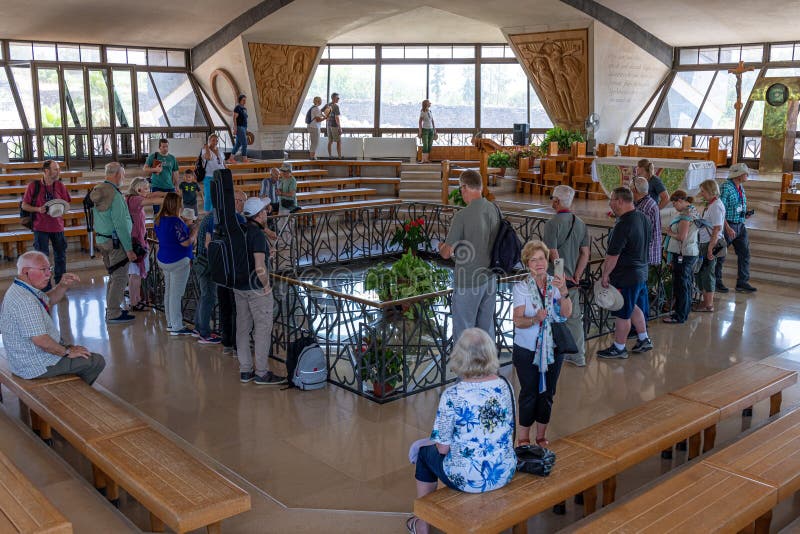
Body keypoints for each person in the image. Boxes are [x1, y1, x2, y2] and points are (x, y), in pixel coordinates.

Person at [407, 328, 515, 534]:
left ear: (460, 357)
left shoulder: (453, 395)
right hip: (504, 469)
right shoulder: (505, 386)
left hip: (469, 478)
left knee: (423, 454)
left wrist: (425, 443)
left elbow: (442, 449)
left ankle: (422, 523)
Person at [0, 251, 105, 385]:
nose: (49, 274)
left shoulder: (23, 288)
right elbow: (41, 341)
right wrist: (66, 352)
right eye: (43, 270)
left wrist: (62, 285)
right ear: (26, 271)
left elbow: (47, 300)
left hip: (27, 359)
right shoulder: (25, 301)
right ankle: (71, 393)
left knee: (80, 352)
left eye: (49, 269)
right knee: (95, 361)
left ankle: (70, 383)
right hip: (35, 366)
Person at [512, 240, 571, 449]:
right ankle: (523, 437)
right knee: (529, 392)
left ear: (548, 261)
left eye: (542, 258)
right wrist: (535, 319)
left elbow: (566, 314)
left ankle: (541, 435)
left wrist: (564, 291)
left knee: (547, 393)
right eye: (533, 259)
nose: (539, 263)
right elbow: (517, 320)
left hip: (552, 348)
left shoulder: (555, 284)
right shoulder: (521, 288)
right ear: (527, 263)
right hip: (527, 350)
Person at [438, 170, 500, 343]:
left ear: (464, 187)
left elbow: (446, 253)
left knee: (464, 332)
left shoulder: (462, 216)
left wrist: (441, 246)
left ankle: (465, 370)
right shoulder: (494, 209)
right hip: (490, 278)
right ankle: (487, 369)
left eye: (460, 188)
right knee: (486, 331)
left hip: (468, 281)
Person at [235, 197, 286, 385]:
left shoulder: (240, 230)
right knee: (262, 329)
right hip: (256, 287)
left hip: (239, 286)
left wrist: (267, 255)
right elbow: (258, 267)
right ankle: (262, 372)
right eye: (265, 210)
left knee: (243, 328)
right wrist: (266, 285)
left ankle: (245, 370)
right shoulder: (256, 234)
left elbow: (248, 257)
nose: (267, 212)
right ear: (259, 214)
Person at [597, 187, 653, 359]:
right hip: (641, 272)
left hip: (626, 275)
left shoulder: (623, 224)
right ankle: (644, 339)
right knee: (632, 306)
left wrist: (605, 275)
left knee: (622, 313)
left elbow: (613, 255)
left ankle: (619, 347)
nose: (610, 203)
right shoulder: (643, 218)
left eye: (612, 199)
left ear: (620, 201)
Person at [542, 185, 589, 367]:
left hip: (557, 279)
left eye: (552, 198)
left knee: (551, 315)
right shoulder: (580, 223)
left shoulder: (552, 224)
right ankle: (579, 356)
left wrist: (561, 277)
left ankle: (552, 354)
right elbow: (585, 253)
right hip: (572, 281)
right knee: (574, 317)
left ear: (557, 201)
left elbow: (553, 253)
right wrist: (576, 275)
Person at [91, 162, 137, 324]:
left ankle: (112, 308)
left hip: (102, 239)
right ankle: (113, 312)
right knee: (119, 277)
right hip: (115, 242)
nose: (123, 178)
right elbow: (121, 224)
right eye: (123, 175)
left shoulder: (98, 190)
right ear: (117, 175)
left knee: (113, 275)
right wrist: (129, 249)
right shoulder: (115, 195)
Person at [21, 160, 71, 290]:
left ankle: (61, 284)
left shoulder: (60, 185)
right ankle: (44, 286)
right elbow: (24, 205)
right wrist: (38, 209)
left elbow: (67, 204)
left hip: (57, 226)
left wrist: (60, 210)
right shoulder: (34, 186)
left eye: (58, 169)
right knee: (41, 258)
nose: (58, 172)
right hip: (40, 227)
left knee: (60, 256)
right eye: (55, 169)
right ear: (46, 171)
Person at [154, 192, 198, 336]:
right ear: (176, 205)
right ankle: (177, 327)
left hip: (164, 259)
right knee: (176, 295)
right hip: (178, 261)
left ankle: (170, 323)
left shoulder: (159, 219)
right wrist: (194, 234)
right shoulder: (176, 221)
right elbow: (185, 242)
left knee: (169, 292)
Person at [125, 177, 165, 312]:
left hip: (138, 238)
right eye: (146, 188)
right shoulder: (135, 200)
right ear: (138, 189)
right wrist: (169, 199)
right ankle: (134, 301)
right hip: (135, 240)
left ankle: (136, 299)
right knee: (135, 274)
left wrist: (165, 193)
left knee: (135, 274)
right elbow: (153, 200)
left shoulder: (131, 198)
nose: (148, 191)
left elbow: (153, 195)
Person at [715, 163, 757, 293]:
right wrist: (726, 227)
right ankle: (716, 282)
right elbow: (720, 210)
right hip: (729, 226)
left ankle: (742, 282)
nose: (747, 175)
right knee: (720, 255)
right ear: (738, 175)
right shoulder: (726, 188)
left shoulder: (740, 187)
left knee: (745, 254)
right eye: (746, 173)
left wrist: (745, 214)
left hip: (740, 225)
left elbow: (737, 205)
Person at [662, 190, 699, 324]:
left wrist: (669, 232)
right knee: (686, 284)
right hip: (690, 252)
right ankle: (684, 311)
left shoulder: (685, 215)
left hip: (684, 254)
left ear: (681, 201)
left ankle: (679, 315)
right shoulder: (692, 210)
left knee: (681, 285)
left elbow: (681, 237)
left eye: (674, 203)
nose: (674, 207)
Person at [218, 190, 248, 354]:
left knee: (225, 308)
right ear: (236, 201)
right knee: (238, 310)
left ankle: (227, 343)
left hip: (221, 270)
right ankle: (238, 345)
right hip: (234, 270)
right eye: (242, 201)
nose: (244, 204)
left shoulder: (217, 217)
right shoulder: (239, 220)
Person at [695, 179, 724, 312]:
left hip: (710, 243)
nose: (702, 194)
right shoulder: (712, 204)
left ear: (711, 191)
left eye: (703, 191)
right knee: (701, 273)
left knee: (707, 274)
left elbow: (717, 228)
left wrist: (711, 248)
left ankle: (708, 304)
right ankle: (704, 301)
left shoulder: (716, 205)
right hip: (704, 241)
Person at [143, 138, 179, 215]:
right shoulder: (153, 156)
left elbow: (175, 173)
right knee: (157, 211)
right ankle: (158, 225)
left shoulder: (172, 158)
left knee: (172, 209)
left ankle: (170, 226)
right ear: (159, 147)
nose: (165, 148)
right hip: (157, 186)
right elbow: (145, 169)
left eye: (167, 146)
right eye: (163, 147)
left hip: (169, 187)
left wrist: (176, 186)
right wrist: (154, 169)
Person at [632, 176, 662, 268]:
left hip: (645, 252)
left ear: (635, 190)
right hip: (645, 251)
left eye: (631, 189)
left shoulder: (644, 207)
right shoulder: (646, 202)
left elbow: (639, 233)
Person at [201, 133, 227, 213]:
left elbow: (223, 163)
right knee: (209, 195)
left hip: (220, 176)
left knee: (218, 195)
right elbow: (208, 157)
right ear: (209, 141)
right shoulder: (205, 150)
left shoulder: (220, 150)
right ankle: (207, 213)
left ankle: (215, 212)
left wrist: (227, 172)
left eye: (216, 140)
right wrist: (207, 147)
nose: (215, 142)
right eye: (213, 140)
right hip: (209, 176)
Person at [228, 94, 249, 163]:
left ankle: (231, 158)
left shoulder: (244, 108)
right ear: (240, 100)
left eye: (245, 100)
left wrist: (246, 129)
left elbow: (245, 119)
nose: (244, 101)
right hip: (239, 127)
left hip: (244, 127)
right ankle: (244, 158)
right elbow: (234, 118)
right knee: (244, 143)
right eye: (243, 100)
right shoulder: (237, 107)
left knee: (238, 144)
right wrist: (235, 128)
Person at [324, 92, 342, 159]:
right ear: (334, 98)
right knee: (339, 141)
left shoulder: (327, 105)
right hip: (334, 125)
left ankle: (330, 156)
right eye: (338, 98)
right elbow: (336, 118)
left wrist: (326, 118)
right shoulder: (336, 106)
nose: (338, 99)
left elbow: (321, 111)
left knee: (330, 141)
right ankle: (339, 157)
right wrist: (339, 127)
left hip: (328, 125)